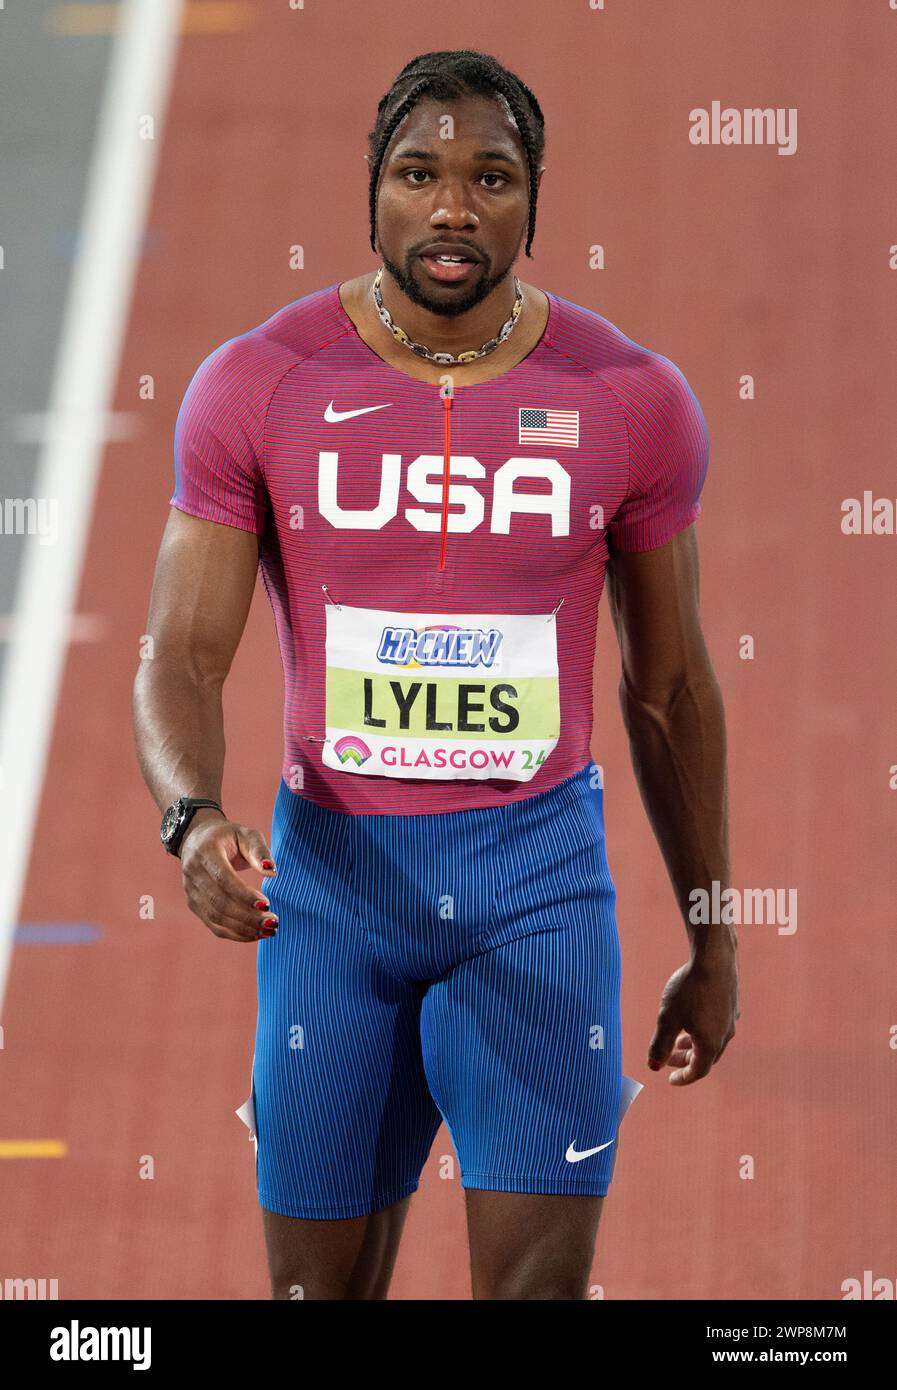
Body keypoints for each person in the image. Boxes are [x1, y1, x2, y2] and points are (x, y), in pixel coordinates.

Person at [132, 48, 738, 1301]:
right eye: (420, 173)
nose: (454, 206)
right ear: (373, 193)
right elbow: (183, 654)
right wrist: (192, 821)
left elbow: (670, 691)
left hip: (538, 893)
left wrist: (714, 934)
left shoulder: (631, 401)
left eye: (491, 177)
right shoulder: (259, 387)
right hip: (333, 901)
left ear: (534, 200)